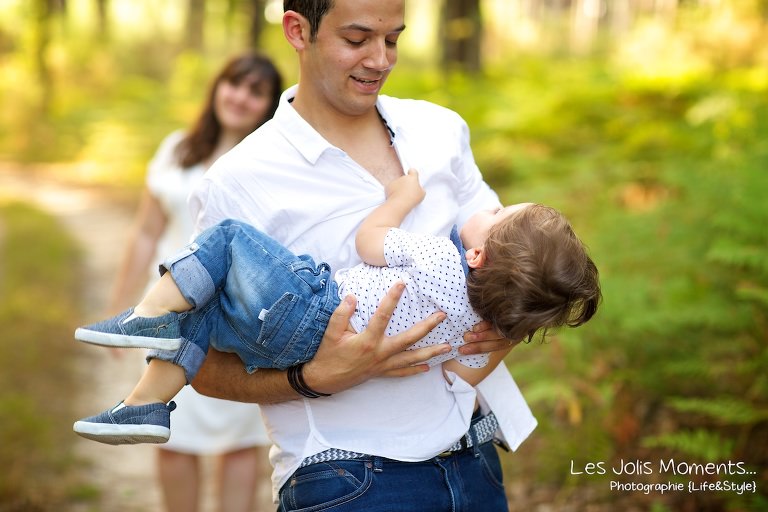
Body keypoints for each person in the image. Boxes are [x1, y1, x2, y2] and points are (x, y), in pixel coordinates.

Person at [155, 1, 553, 509]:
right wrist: (312, 378)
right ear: (298, 31)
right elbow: (202, 365)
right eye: (357, 39)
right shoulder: (240, 181)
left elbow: (511, 260)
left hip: (475, 459)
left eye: (392, 39)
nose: (380, 60)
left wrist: (509, 326)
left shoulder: (439, 129)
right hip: (346, 479)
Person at [72, 170, 601, 445]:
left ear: (478, 256)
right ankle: (142, 407)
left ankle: (145, 316)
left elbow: (371, 241)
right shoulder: (480, 327)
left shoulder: (443, 258)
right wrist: (511, 327)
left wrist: (400, 200)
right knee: (204, 314)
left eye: (499, 213)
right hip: (292, 349)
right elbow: (461, 376)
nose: (491, 206)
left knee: (228, 239)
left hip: (312, 307)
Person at [100, 52, 282, 512]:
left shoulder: (269, 164)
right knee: (174, 436)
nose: (240, 97)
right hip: (167, 318)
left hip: (235, 322)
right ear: (217, 87)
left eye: (256, 92)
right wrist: (120, 304)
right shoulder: (177, 150)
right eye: (234, 84)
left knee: (238, 442)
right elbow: (146, 233)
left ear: (269, 105)